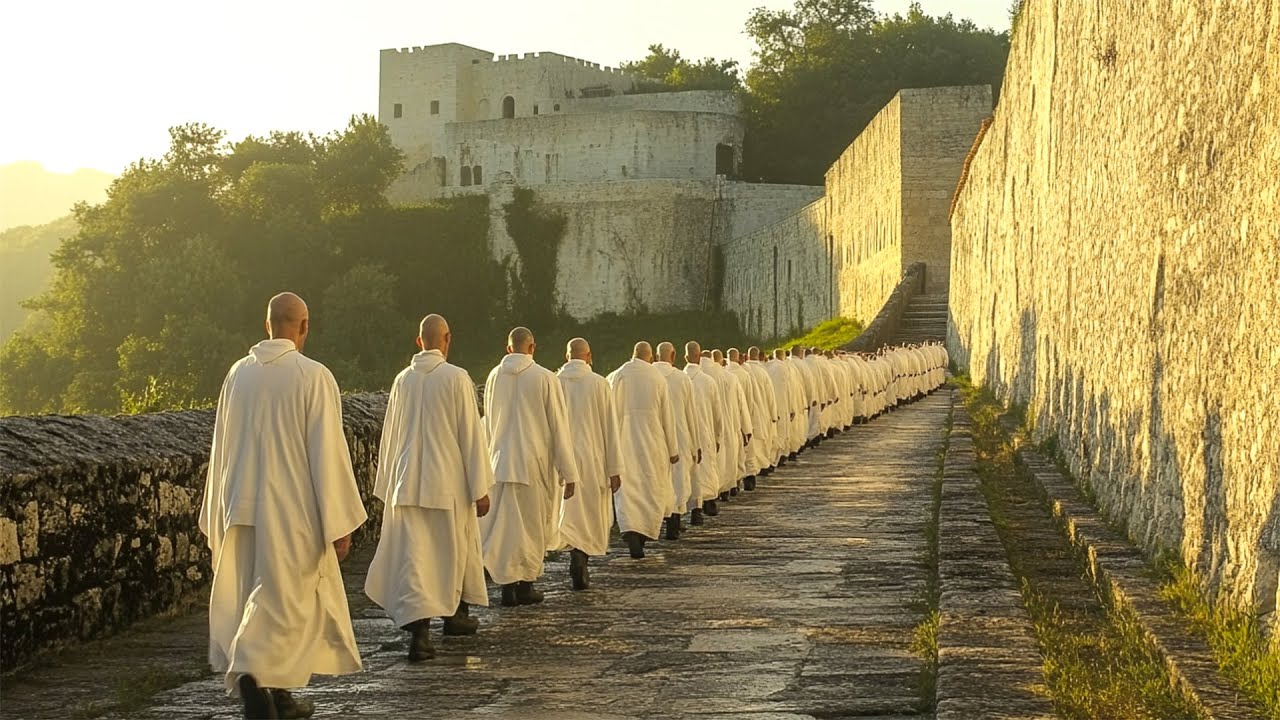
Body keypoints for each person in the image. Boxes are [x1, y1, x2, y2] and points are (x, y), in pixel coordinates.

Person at [200, 292, 366, 720]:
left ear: (266, 323)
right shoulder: (313, 376)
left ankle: (280, 695)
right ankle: (252, 674)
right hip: (291, 509)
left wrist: (217, 508)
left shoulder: (237, 374)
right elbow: (326, 452)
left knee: (260, 596)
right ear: (304, 326)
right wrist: (339, 521)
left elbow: (221, 447)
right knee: (285, 602)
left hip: (240, 503)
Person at [365, 314, 493, 662]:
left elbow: (389, 437)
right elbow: (471, 434)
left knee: (415, 563)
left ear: (418, 341)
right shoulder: (457, 379)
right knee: (450, 554)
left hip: (407, 483)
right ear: (447, 339)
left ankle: (423, 632)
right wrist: (480, 487)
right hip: (446, 482)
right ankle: (453, 616)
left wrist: (386, 486)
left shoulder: (402, 381)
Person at [480, 327, 579, 607]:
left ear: (509, 348)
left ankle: (507, 583)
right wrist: (568, 472)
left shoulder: (493, 377)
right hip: (533, 463)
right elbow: (558, 427)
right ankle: (525, 584)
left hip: (499, 461)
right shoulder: (545, 378)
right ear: (533, 347)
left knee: (505, 527)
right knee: (531, 527)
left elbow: (488, 423)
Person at [556, 338, 623, 590]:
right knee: (591, 509)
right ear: (589, 356)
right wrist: (615, 468)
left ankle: (573, 547)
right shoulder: (599, 383)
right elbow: (610, 427)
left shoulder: (555, 382)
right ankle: (581, 554)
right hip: (594, 456)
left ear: (567, 357)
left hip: (562, 458)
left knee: (568, 510)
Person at [607, 342, 679, 558]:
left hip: (622, 440)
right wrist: (673, 448)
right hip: (652, 439)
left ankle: (629, 527)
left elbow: (607, 413)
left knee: (626, 488)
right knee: (650, 485)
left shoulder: (616, 376)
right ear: (650, 357)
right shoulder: (657, 378)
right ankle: (643, 532)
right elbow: (668, 415)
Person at [654, 341, 701, 538]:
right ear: (673, 356)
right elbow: (692, 414)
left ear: (656, 357)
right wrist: (696, 443)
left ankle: (658, 519)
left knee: (657, 478)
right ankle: (674, 518)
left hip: (654, 435)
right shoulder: (682, 379)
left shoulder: (649, 376)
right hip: (680, 434)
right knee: (678, 477)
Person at [683, 341, 722, 524]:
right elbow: (717, 413)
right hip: (704, 429)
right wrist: (718, 435)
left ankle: (691, 507)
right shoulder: (708, 382)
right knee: (704, 468)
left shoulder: (677, 379)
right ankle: (705, 502)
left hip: (683, 432)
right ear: (699, 357)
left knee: (685, 472)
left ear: (684, 357)